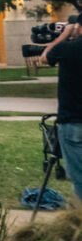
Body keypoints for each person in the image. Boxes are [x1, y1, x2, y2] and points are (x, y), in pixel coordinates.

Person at [40, 19, 82, 206]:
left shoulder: (67, 49)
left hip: (72, 122)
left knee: (78, 175)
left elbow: (45, 57)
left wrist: (64, 35)